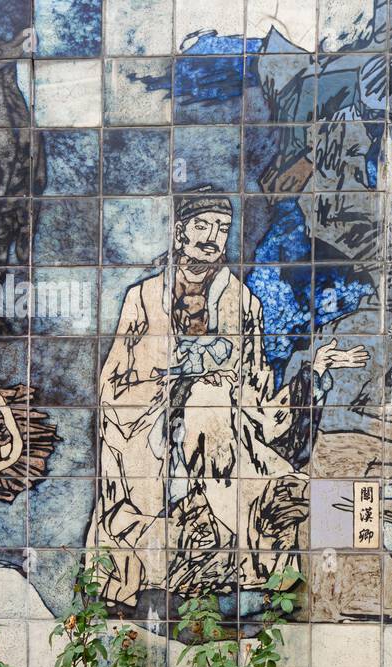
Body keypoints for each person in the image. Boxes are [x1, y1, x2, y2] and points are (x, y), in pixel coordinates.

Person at [89, 187, 367, 606]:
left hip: (218, 433)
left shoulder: (243, 302)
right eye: (202, 226)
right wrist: (165, 388)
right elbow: (111, 386)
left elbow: (255, 391)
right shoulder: (142, 299)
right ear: (181, 233)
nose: (211, 237)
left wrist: (313, 373)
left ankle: (231, 551)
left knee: (212, 402)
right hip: (144, 429)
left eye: (221, 228)